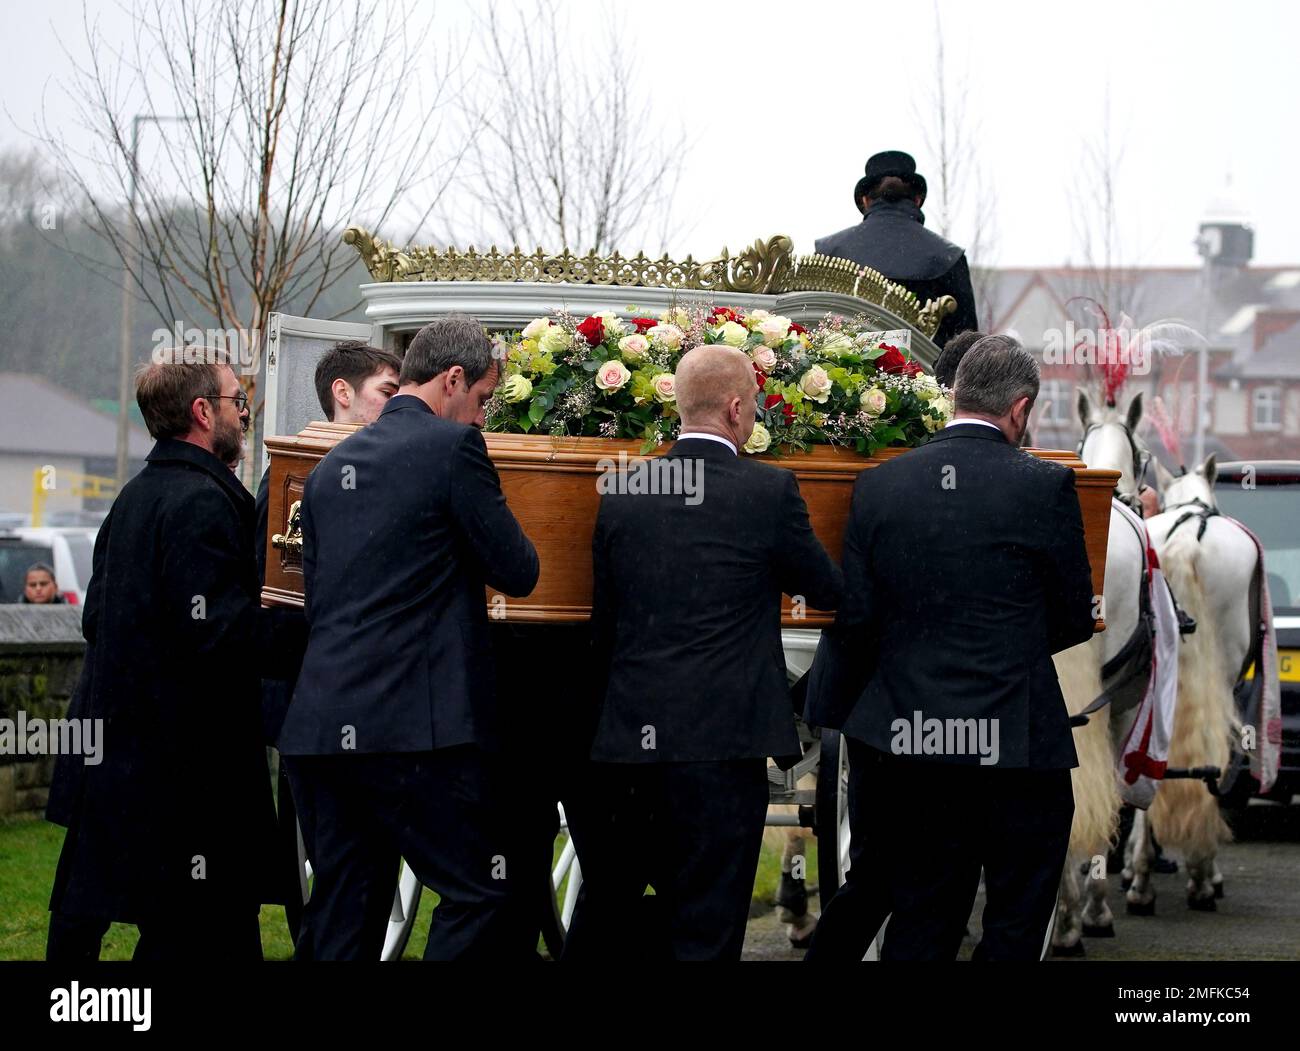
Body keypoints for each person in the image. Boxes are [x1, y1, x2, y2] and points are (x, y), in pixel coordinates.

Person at [804, 335, 1095, 961]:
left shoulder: (881, 486)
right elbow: (1073, 617)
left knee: (923, 916)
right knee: (1016, 917)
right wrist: (1006, 645)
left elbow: (857, 617)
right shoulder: (1045, 486)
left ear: (954, 396)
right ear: (1019, 410)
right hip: (1013, 740)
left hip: (908, 741)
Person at [564, 344, 842, 962]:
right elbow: (825, 589)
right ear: (737, 409)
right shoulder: (769, 491)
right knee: (708, 925)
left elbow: (605, 626)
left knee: (611, 903)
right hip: (722, 746)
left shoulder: (625, 490)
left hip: (631, 743)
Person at [278, 314, 539, 961]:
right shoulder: (453, 451)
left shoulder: (329, 467)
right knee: (481, 888)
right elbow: (519, 569)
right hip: (411, 730)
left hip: (320, 724)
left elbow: (318, 597)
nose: (481, 417)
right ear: (453, 379)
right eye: (481, 399)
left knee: (345, 907)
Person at [45, 353, 306, 961]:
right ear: (201, 412)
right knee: (201, 927)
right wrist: (313, 634)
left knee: (152, 921)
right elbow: (218, 631)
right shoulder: (202, 504)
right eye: (237, 404)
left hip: (128, 758)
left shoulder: (135, 496)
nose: (244, 418)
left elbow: (96, 618)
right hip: (188, 770)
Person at [253, 340, 401, 953]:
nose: (396, 407)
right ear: (343, 393)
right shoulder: (293, 473)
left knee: (358, 884)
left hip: (345, 707)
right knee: (345, 883)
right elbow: (272, 597)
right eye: (386, 393)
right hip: (316, 705)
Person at [815, 150, 978, 346]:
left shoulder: (829, 252)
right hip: (929, 373)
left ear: (865, 200)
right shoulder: (949, 257)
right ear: (917, 200)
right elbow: (967, 345)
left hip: (838, 372)